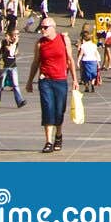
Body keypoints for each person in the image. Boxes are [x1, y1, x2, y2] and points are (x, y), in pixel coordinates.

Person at [23, 15, 75, 153]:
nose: (42, 30)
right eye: (41, 27)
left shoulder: (64, 40)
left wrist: (75, 80)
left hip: (60, 80)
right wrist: (29, 81)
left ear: (53, 28)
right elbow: (36, 62)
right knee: (47, 108)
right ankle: (48, 141)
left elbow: (70, 60)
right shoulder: (40, 43)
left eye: (45, 27)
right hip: (45, 80)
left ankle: (58, 135)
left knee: (59, 110)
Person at [0, 24, 26, 107]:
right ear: (11, 34)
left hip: (13, 66)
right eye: (16, 34)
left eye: (18, 34)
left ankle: (19, 101)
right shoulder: (5, 42)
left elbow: (14, 53)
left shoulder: (16, 43)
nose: (17, 36)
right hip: (4, 65)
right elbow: (8, 49)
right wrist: (14, 43)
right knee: (0, 85)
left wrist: (15, 44)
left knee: (15, 85)